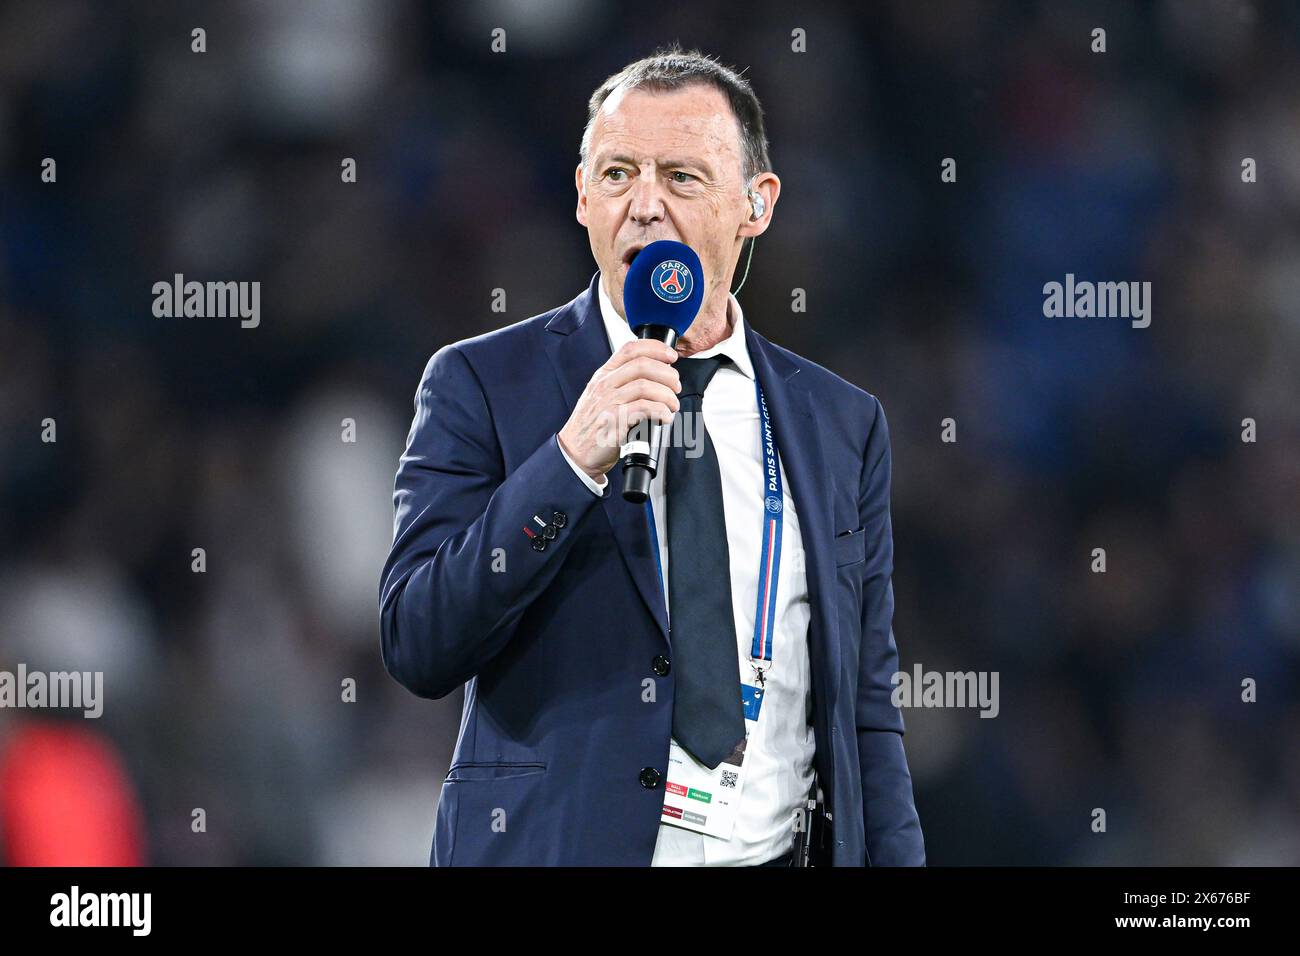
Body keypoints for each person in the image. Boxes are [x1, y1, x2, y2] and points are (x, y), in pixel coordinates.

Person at [379, 45, 924, 866]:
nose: (644, 205)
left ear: (757, 203)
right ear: (581, 197)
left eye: (682, 177)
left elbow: (867, 712)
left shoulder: (841, 423)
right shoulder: (482, 383)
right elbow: (418, 640)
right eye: (617, 174)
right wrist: (569, 460)